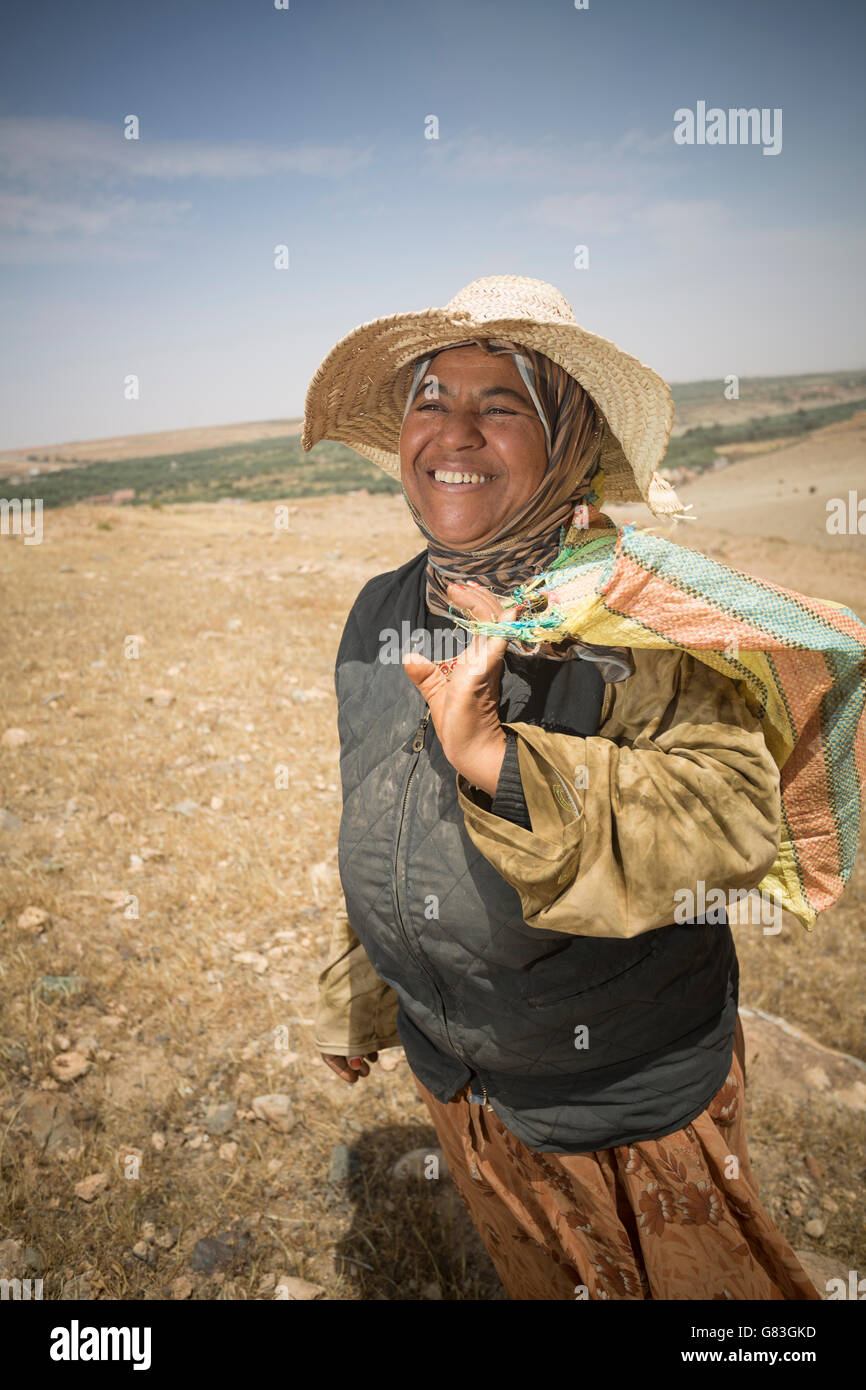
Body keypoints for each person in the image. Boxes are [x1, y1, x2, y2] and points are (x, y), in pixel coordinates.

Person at [300, 274, 854, 1301]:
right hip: (456, 1081)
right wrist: (364, 997)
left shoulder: (634, 622)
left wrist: (501, 763)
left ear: (567, 438)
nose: (453, 434)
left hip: (621, 1098)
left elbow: (730, 819)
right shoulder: (382, 607)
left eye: (498, 405)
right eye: (432, 398)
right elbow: (376, 810)